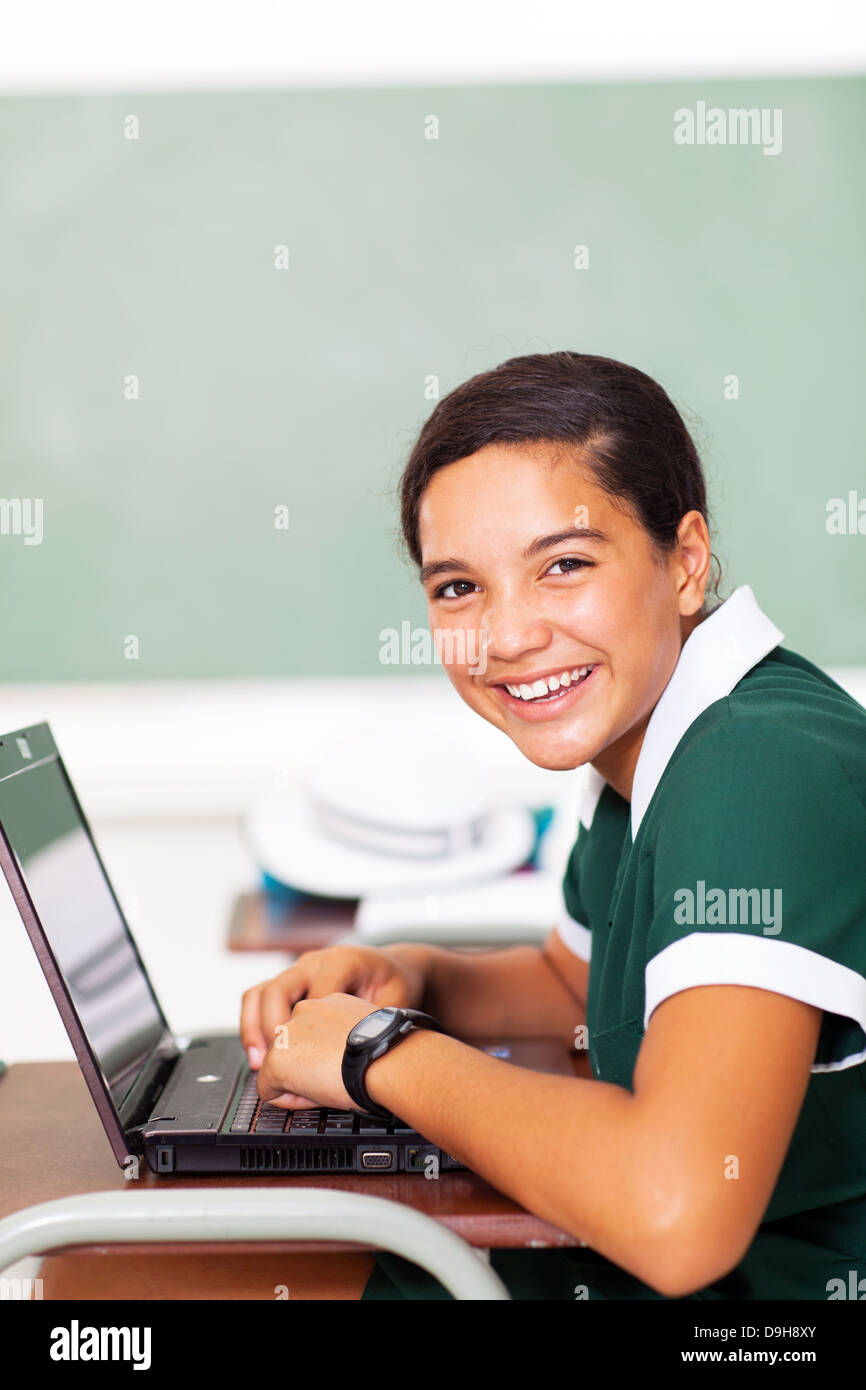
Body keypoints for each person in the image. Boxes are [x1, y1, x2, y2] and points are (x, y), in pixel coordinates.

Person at [241, 351, 866, 1300]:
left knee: (172, 1280)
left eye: (562, 566)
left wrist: (379, 1055)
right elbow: (579, 984)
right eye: (458, 588)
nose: (505, 637)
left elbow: (676, 1210)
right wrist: (419, 977)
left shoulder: (754, 770)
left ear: (685, 561)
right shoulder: (651, 743)